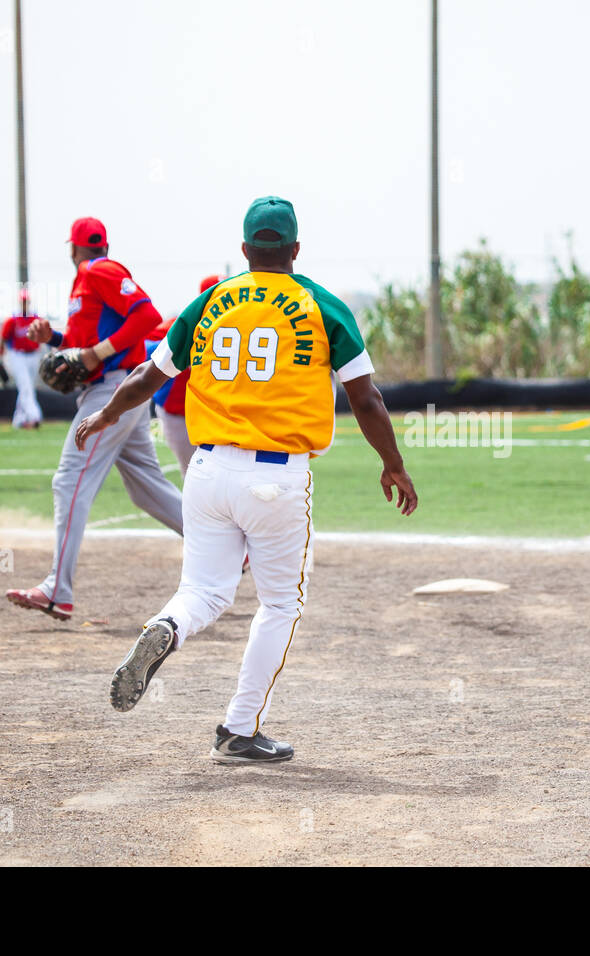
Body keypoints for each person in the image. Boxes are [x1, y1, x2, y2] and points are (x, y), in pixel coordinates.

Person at [75, 196, 417, 764]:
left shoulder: (211, 301)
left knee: (203, 592)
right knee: (281, 604)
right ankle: (238, 728)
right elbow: (366, 397)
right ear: (296, 249)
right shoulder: (321, 303)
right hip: (276, 479)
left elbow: (146, 374)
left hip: (207, 471)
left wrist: (106, 415)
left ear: (244, 251)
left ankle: (167, 625)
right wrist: (394, 464)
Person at [4, 216, 184, 622]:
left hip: (114, 389)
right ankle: (229, 550)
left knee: (70, 480)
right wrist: (52, 338)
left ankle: (57, 590)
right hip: (117, 387)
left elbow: (146, 315)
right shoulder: (86, 282)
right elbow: (82, 345)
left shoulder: (100, 270)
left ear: (73, 248)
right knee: (147, 489)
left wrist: (96, 354)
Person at [146, 274, 221, 477]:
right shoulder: (183, 324)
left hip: (213, 414)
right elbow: (147, 348)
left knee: (214, 474)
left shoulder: (233, 325)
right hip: (177, 412)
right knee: (194, 474)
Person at [0, 289, 43, 429]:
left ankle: (19, 420)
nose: (24, 304)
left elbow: (44, 337)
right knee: (25, 386)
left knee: (27, 387)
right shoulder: (12, 320)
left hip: (33, 355)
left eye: (26, 301)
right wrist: (0, 359)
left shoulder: (35, 318)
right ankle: (35, 417)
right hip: (17, 356)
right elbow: (3, 340)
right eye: (22, 302)